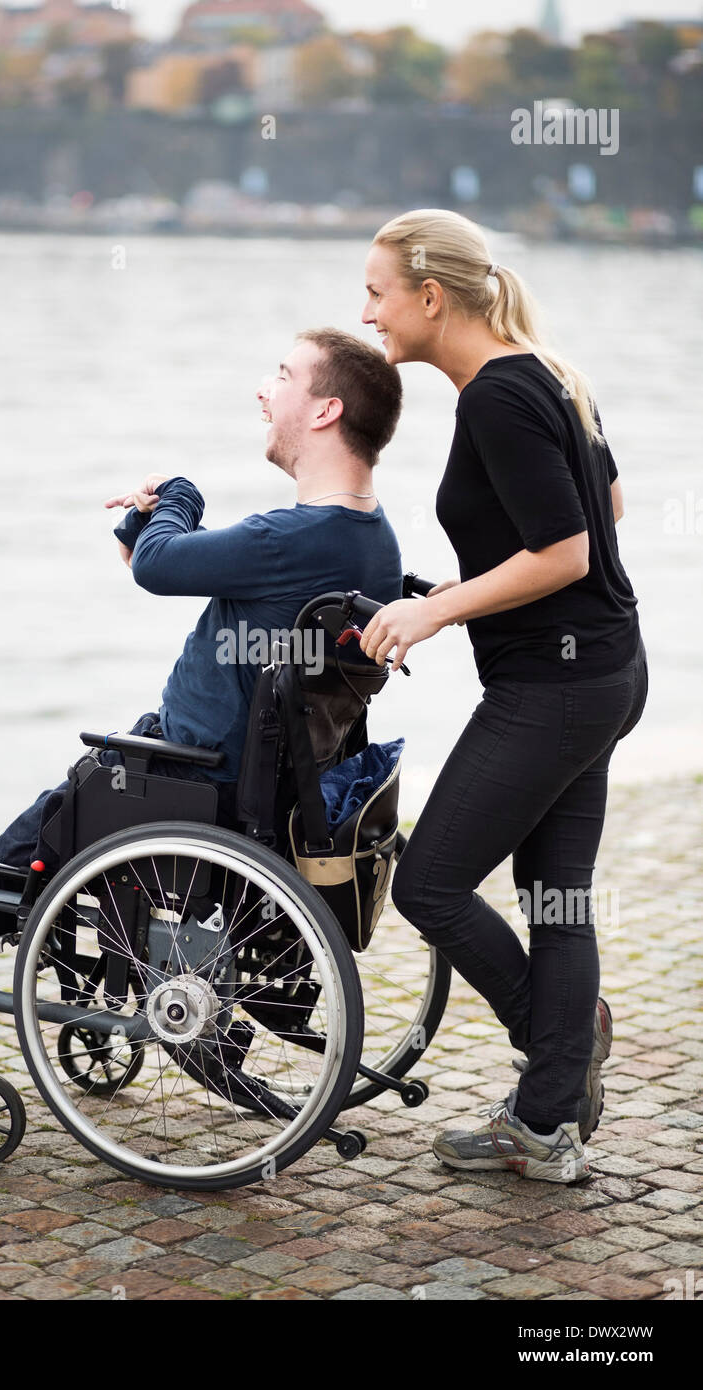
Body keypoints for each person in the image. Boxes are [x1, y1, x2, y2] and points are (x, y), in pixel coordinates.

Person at [0, 328, 404, 1023]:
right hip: (270, 778)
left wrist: (177, 493)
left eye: (283, 376)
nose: (264, 389)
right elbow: (163, 561)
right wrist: (146, 530)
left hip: (198, 775)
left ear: (325, 411)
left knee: (27, 848)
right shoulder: (367, 539)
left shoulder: (289, 537)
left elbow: (162, 565)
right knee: (37, 829)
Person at [358, 208, 647, 1185]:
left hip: (557, 686)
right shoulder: (545, 372)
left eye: (376, 293)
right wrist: (464, 587)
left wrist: (440, 613)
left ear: (429, 297)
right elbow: (602, 511)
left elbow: (564, 548)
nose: (366, 314)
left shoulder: (494, 395)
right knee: (555, 896)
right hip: (602, 670)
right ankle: (543, 1123)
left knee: (429, 881)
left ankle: (556, 1068)